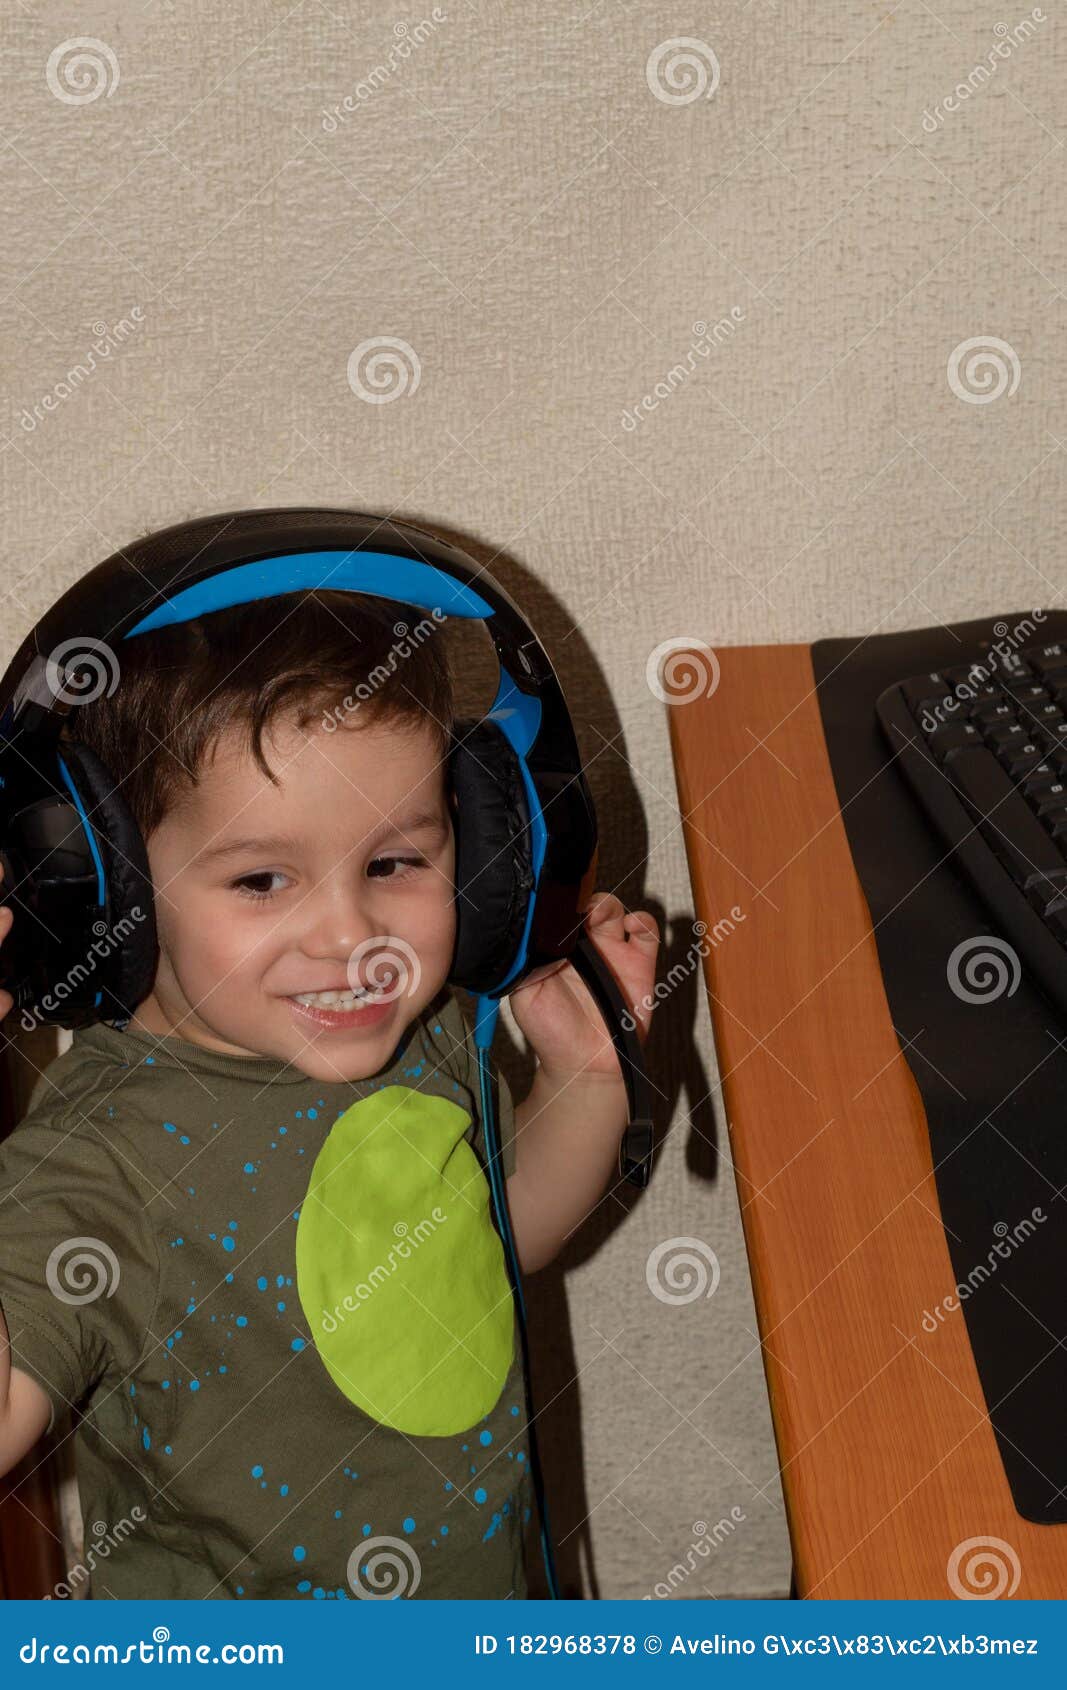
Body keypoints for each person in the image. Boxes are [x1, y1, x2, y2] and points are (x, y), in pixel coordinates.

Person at [0, 586, 659, 1599]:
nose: (353, 937)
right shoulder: (100, 1164)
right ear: (105, 889)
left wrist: (584, 1076)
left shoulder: (420, 1027)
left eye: (394, 862)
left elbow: (491, 1241)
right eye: (262, 881)